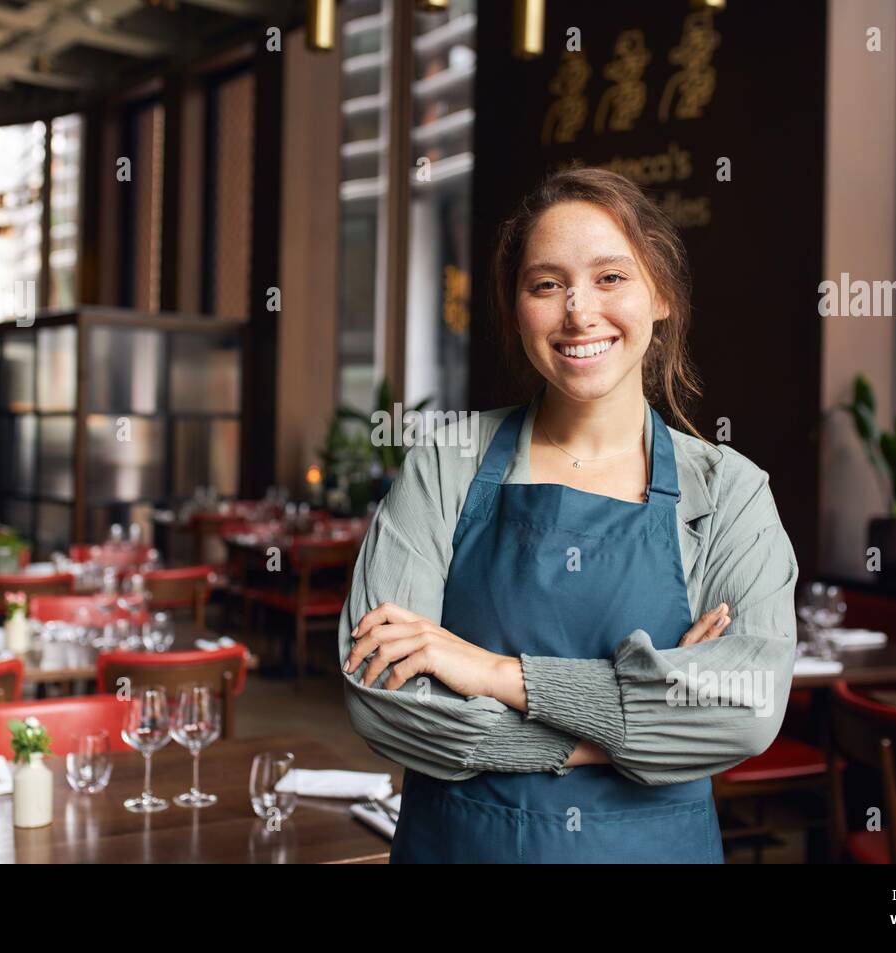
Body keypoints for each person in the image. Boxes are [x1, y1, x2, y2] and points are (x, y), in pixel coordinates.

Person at [339, 167, 798, 863]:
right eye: (546, 284)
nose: (579, 310)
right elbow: (378, 691)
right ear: (517, 306)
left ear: (663, 294)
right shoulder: (446, 463)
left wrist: (493, 674)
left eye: (611, 277)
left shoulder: (728, 493)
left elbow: (746, 708)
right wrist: (625, 728)